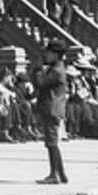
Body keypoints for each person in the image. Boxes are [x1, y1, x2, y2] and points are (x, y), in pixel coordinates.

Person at [34, 39, 72, 185]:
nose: (46, 55)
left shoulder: (56, 70)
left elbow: (41, 83)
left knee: (51, 143)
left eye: (48, 53)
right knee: (52, 142)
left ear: (56, 54)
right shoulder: (57, 67)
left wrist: (37, 69)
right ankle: (60, 173)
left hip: (52, 108)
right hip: (53, 108)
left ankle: (54, 174)